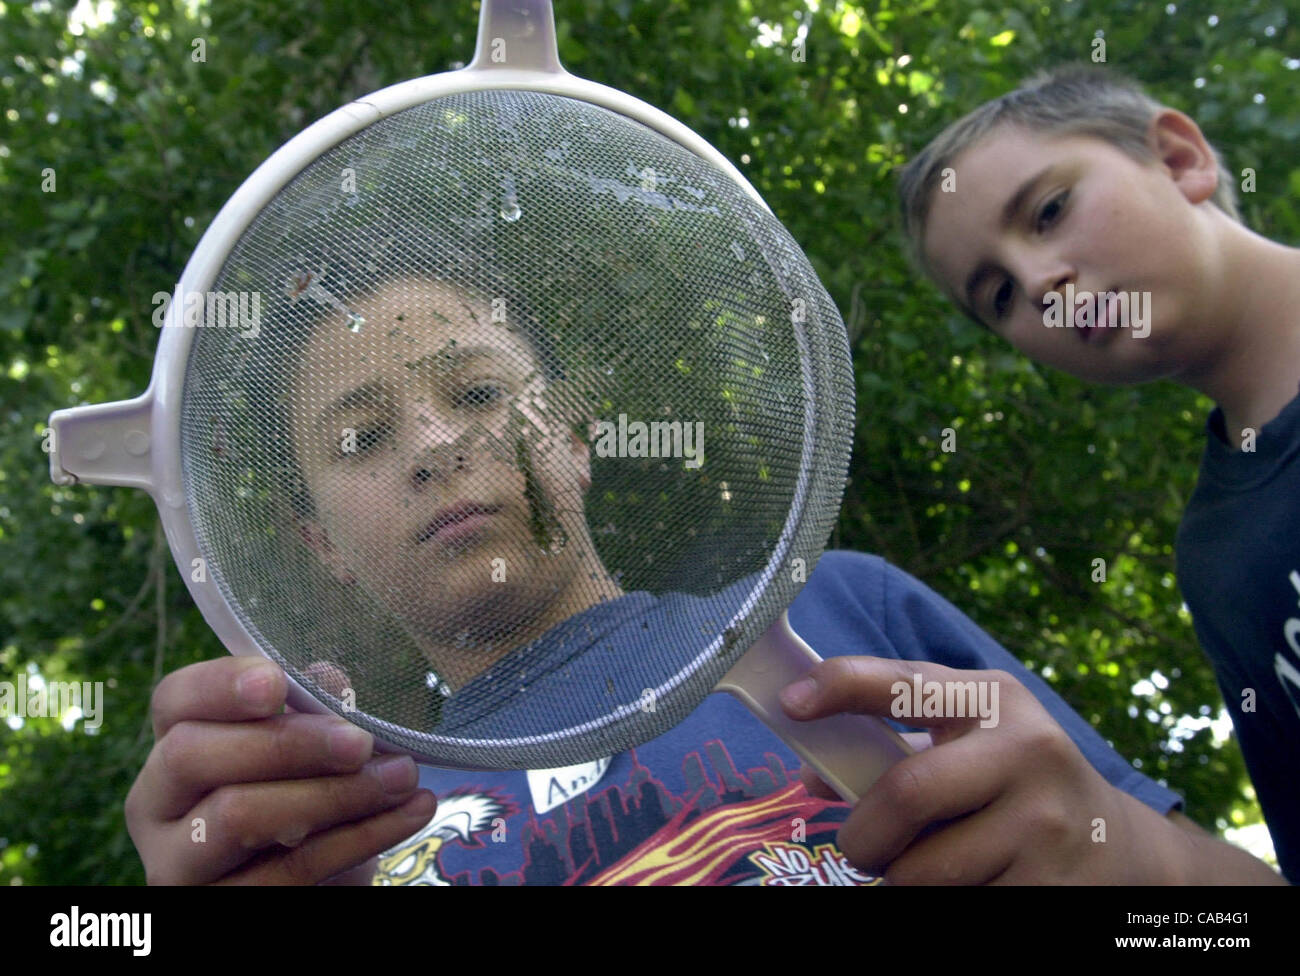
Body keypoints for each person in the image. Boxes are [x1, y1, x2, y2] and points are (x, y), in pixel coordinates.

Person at [128, 270, 1257, 885]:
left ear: (573, 439)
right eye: (361, 439)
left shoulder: (843, 608)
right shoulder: (340, 826)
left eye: (475, 393)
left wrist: (1124, 854)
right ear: (321, 544)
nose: (432, 445)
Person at [894, 64, 1299, 882]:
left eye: (1048, 211)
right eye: (999, 296)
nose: (1039, 284)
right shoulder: (1219, 563)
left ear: (1180, 158)